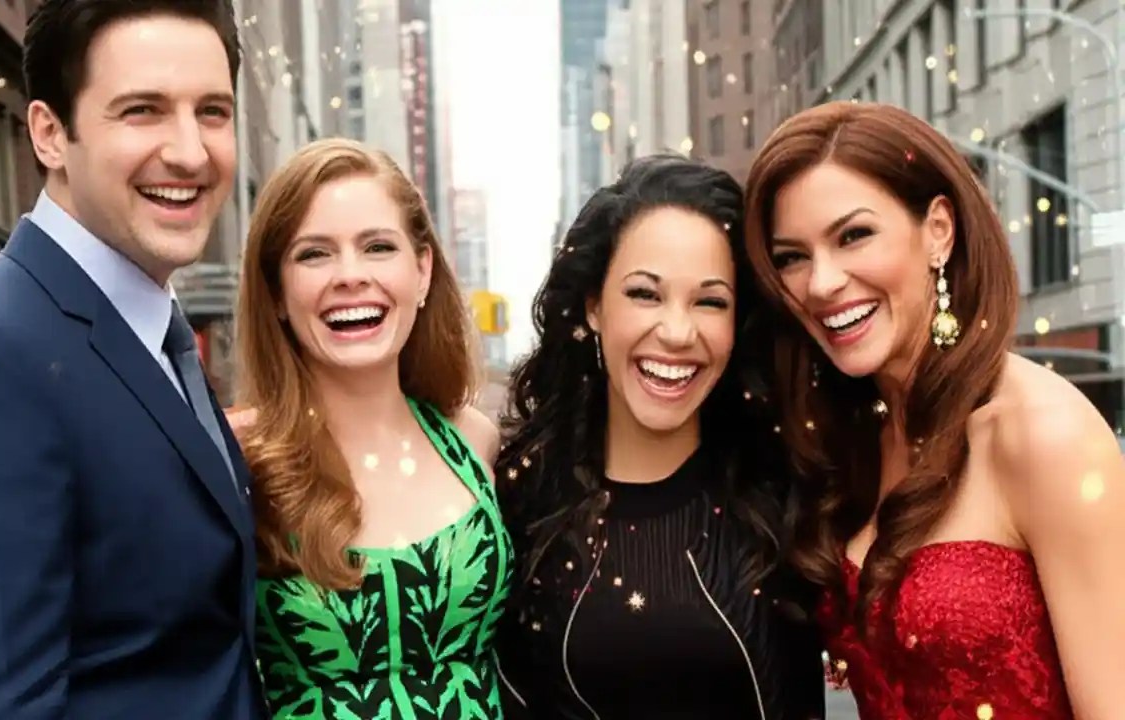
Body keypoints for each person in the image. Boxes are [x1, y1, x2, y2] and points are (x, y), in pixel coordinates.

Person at [0, 2, 264, 718]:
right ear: (49, 133)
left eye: (211, 111)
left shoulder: (150, 332)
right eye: (142, 110)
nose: (190, 151)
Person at [743, 101, 1125, 719]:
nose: (821, 282)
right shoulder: (851, 439)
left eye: (854, 235)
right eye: (792, 257)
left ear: (938, 230)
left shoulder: (1043, 435)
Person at [493, 154, 824, 719]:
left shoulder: (787, 493)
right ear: (594, 305)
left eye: (710, 301)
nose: (676, 332)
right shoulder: (517, 501)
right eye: (645, 294)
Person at [226, 137, 512, 719]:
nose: (350, 276)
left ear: (423, 269)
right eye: (314, 254)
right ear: (277, 291)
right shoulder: (238, 459)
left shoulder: (472, 439)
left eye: (378, 246)